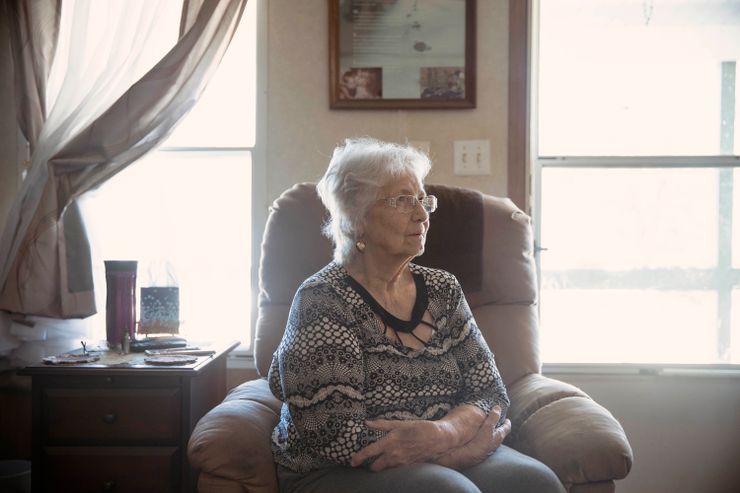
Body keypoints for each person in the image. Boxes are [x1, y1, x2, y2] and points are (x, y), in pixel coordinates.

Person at [268, 138, 565, 493]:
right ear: (357, 217)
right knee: (450, 490)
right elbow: (336, 435)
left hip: (444, 449)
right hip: (338, 471)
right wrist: (454, 457)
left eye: (423, 200)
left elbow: (491, 392)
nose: (422, 214)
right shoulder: (323, 299)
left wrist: (446, 433)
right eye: (403, 200)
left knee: (536, 483)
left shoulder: (444, 289)